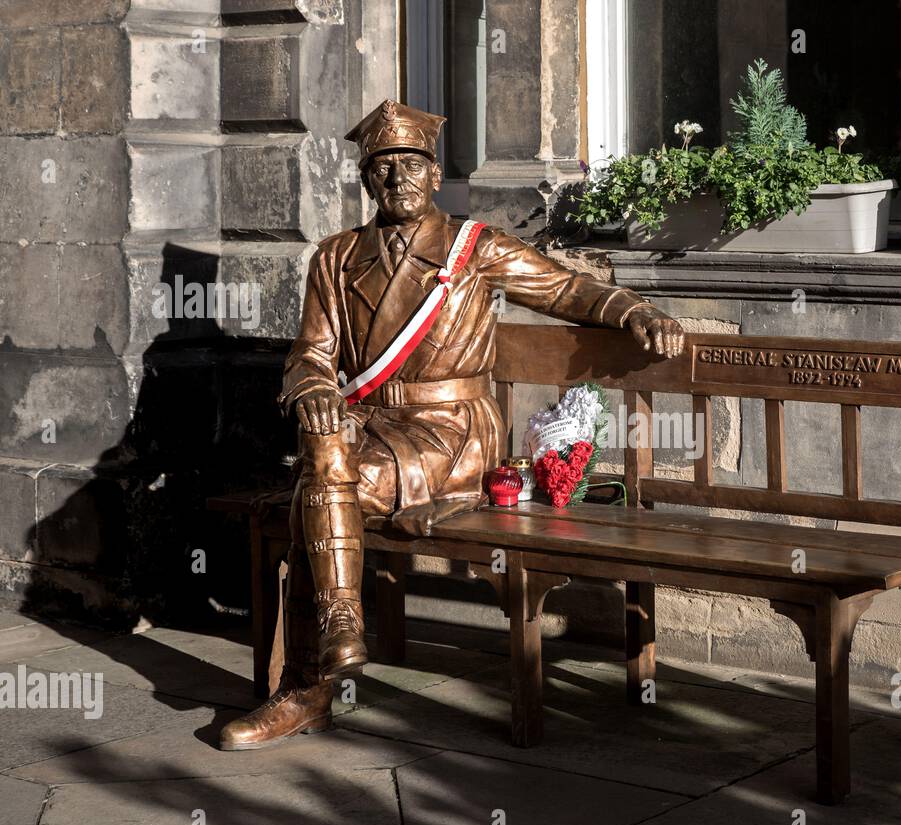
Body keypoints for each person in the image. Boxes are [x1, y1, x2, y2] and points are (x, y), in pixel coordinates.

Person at [220, 100, 684, 750]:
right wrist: (314, 390)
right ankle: (338, 630)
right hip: (368, 425)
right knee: (324, 464)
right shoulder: (334, 258)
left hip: (454, 430)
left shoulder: (473, 249)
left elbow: (563, 289)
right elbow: (310, 357)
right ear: (364, 179)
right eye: (382, 167)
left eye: (411, 165)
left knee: (322, 483)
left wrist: (635, 309)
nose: (397, 179)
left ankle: (309, 683)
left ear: (435, 175)